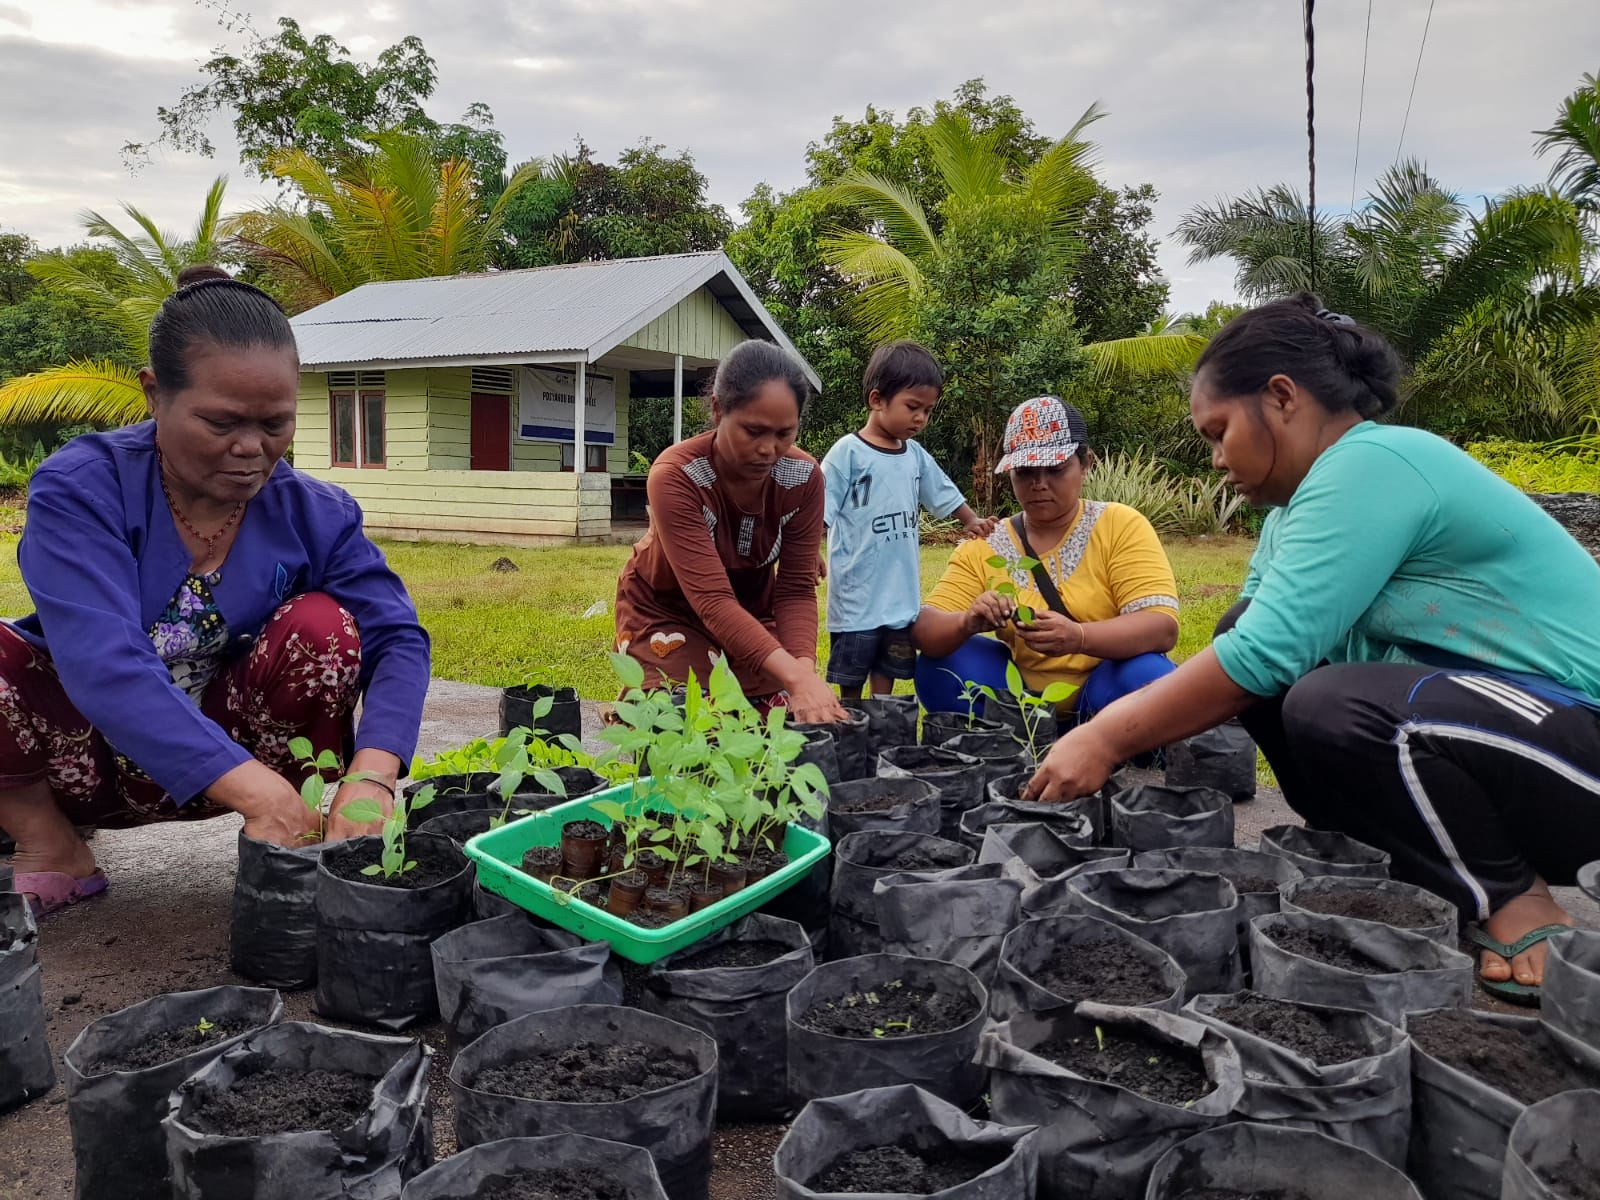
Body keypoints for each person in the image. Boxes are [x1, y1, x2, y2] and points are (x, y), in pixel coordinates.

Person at [1025, 293, 1600, 1002]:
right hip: (1492, 755)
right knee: (1246, 629)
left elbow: (1267, 658)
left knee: (1336, 699)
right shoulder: (1294, 513)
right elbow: (1254, 641)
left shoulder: (1379, 461)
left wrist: (1106, 737)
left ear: (1282, 397)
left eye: (1219, 430)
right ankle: (1379, 855)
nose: (1214, 459)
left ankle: (1514, 896)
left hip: (1577, 749)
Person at [0, 268, 431, 916]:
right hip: (85, 759)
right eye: (222, 422)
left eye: (275, 424)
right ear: (154, 394)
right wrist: (257, 792)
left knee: (323, 626)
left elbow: (396, 636)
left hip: (240, 751)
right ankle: (48, 839)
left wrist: (374, 774)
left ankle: (289, 854)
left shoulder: (316, 513)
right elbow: (102, 662)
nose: (251, 450)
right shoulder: (84, 488)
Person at [614, 340, 844, 723]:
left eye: (784, 433)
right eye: (753, 431)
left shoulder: (803, 478)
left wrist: (802, 673)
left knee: (777, 722)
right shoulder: (678, 476)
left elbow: (795, 589)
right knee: (687, 721)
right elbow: (712, 599)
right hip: (666, 609)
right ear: (719, 409)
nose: (769, 449)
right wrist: (794, 677)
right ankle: (643, 701)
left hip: (751, 612)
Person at [913, 395, 1180, 724]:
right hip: (1020, 703)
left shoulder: (1119, 525)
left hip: (1104, 694)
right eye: (1024, 472)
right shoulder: (986, 545)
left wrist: (1079, 637)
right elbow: (926, 629)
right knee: (942, 665)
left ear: (1085, 465)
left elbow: (1161, 626)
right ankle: (1017, 740)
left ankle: (1108, 744)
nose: (1039, 484)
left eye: (1055, 469)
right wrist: (967, 622)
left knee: (1148, 675)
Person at [821, 341, 994, 700]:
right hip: (857, 596)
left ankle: (884, 721)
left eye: (928, 411)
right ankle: (851, 725)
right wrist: (810, 550)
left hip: (900, 598)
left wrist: (970, 519)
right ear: (877, 399)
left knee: (888, 667)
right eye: (913, 407)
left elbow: (940, 489)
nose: (920, 419)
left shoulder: (914, 455)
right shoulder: (848, 453)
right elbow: (821, 506)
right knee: (852, 673)